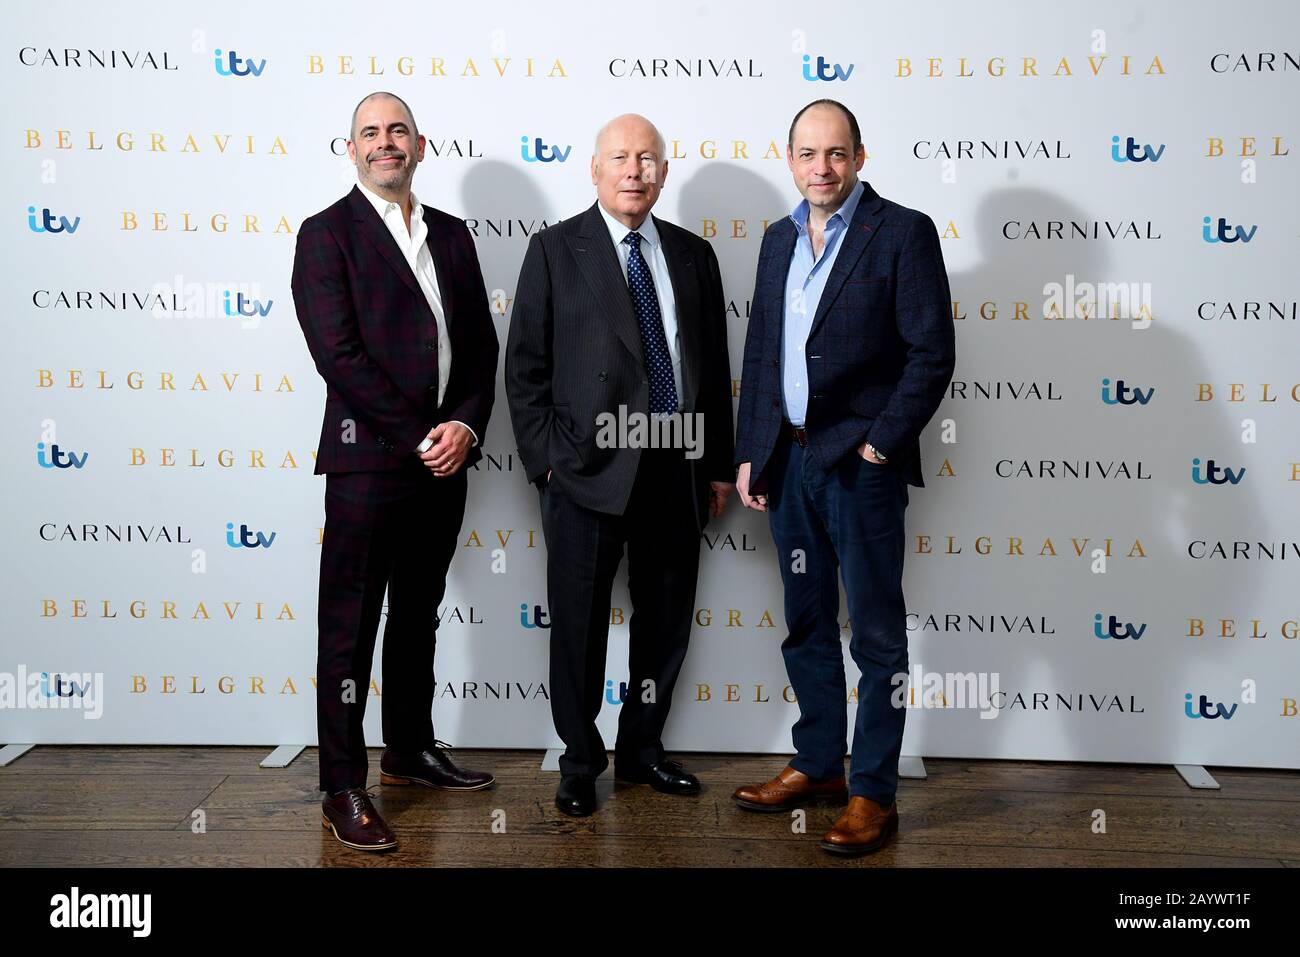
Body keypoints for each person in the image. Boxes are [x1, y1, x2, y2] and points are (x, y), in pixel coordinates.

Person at [731, 99, 955, 856]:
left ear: (860, 156)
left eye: (835, 153)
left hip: (861, 470)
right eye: (806, 154)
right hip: (789, 464)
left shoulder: (903, 232)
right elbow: (763, 351)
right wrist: (753, 450)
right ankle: (820, 762)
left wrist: (881, 447)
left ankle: (872, 792)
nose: (820, 168)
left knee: (880, 639)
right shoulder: (776, 238)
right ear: (789, 158)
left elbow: (932, 354)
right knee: (807, 624)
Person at [505, 113, 735, 817]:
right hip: (585, 471)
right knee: (577, 628)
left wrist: (717, 465)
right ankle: (580, 761)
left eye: (647, 158)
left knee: (665, 626)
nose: (634, 170)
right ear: (595, 169)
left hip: (675, 467)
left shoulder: (695, 256)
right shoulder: (552, 250)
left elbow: (712, 367)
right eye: (620, 158)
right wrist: (548, 463)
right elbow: (526, 368)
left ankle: (642, 748)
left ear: (664, 172)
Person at [291, 91, 499, 851]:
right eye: (371, 133)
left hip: (445, 462)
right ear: (351, 149)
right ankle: (342, 782)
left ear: (420, 144)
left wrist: (465, 426)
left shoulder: (451, 233)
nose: (386, 142)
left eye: (397, 130)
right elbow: (338, 356)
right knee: (348, 629)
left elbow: (480, 347)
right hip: (367, 464)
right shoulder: (325, 236)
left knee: (419, 612)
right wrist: (421, 435)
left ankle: (408, 749)